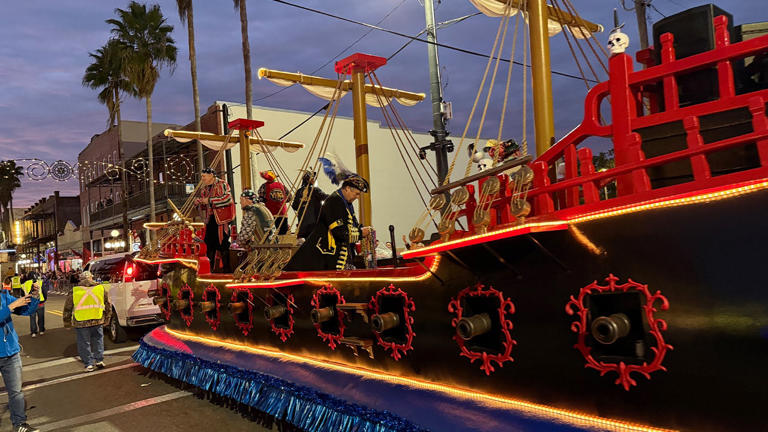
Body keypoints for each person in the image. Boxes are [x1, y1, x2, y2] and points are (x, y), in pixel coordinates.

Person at [285, 174, 372, 271]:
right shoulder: (334, 201)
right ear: (347, 188)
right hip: (325, 258)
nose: (357, 197)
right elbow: (340, 232)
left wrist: (362, 230)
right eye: (356, 194)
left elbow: (350, 225)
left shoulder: (346, 203)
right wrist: (361, 233)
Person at [0, 284, 40, 432]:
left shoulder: (4, 296)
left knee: (16, 393)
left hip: (11, 353)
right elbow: (12, 307)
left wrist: (34, 296)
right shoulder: (7, 301)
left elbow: (27, 310)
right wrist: (10, 307)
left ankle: (19, 424)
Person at [63, 271, 111, 372]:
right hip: (97, 319)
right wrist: (107, 318)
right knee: (98, 340)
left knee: (84, 343)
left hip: (81, 321)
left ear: (80, 279)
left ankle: (88, 364)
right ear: (91, 278)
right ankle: (99, 360)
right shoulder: (100, 288)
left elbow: (68, 307)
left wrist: (67, 322)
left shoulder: (75, 290)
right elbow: (107, 305)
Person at [195, 167, 235, 273]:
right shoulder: (205, 189)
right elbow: (205, 206)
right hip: (210, 220)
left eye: (204, 176)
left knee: (223, 244)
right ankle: (210, 271)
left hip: (221, 220)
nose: (202, 178)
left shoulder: (222, 184)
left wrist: (209, 200)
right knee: (209, 245)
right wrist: (200, 203)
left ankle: (227, 271)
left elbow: (228, 199)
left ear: (211, 175)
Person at [291, 170, 328, 240]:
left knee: (305, 242)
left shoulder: (299, 192)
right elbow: (326, 197)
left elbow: (294, 206)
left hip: (302, 225)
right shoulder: (315, 190)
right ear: (309, 180)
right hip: (313, 224)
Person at [257, 170, 291, 235]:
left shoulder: (264, 186)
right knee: (282, 235)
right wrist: (280, 201)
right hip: (283, 214)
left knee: (270, 235)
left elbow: (260, 200)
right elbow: (289, 198)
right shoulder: (282, 185)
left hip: (270, 215)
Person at [21, 272, 45, 337]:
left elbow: (22, 294)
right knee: (41, 317)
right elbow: (44, 292)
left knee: (32, 318)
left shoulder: (25, 284)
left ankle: (33, 332)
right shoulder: (40, 282)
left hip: (31, 303)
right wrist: (44, 299)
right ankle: (41, 330)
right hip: (40, 302)